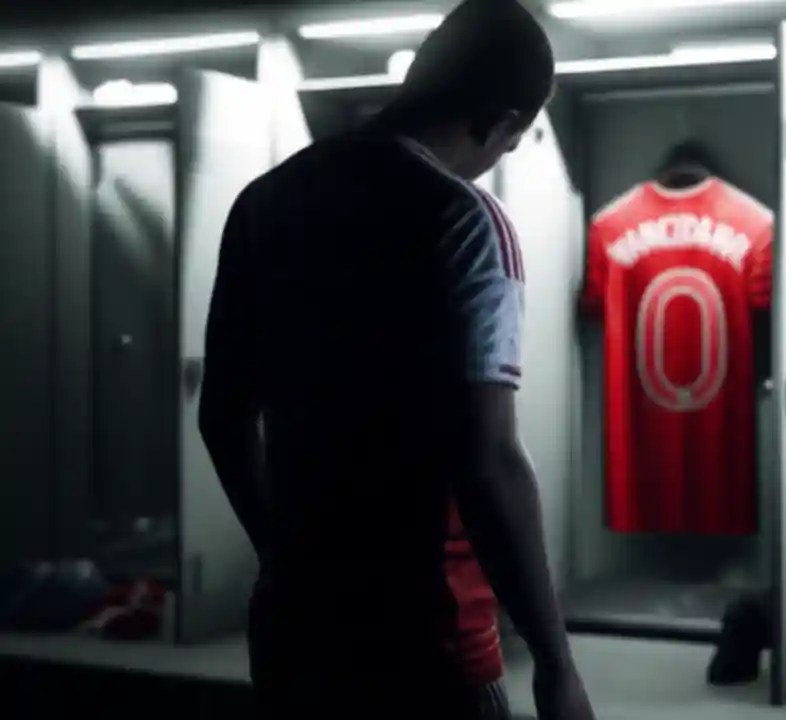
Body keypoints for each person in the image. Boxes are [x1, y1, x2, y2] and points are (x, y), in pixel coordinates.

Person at [198, 0, 595, 717]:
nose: (498, 159)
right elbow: (488, 458)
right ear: (497, 121)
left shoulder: (265, 201)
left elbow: (223, 416)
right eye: (510, 142)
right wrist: (556, 663)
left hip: (295, 629)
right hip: (423, 638)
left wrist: (284, 557)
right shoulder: (461, 220)